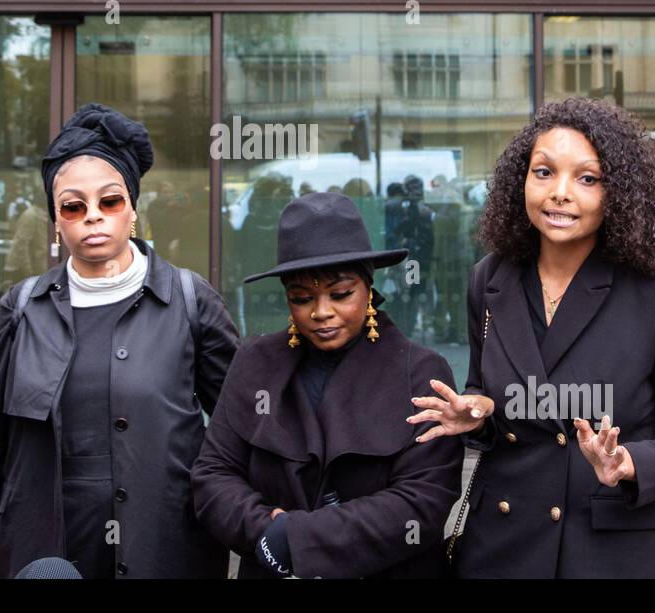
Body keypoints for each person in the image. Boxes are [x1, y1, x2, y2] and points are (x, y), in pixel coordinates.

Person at [410, 97, 655, 578]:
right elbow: (492, 401)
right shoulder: (489, 280)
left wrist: (628, 463)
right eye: (543, 172)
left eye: (587, 178)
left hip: (605, 551)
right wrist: (476, 414)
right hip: (501, 548)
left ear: (617, 192)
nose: (559, 193)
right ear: (521, 181)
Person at [0, 103, 240, 579]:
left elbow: (242, 424)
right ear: (56, 220)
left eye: (110, 202)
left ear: (132, 209)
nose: (93, 217)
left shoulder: (189, 300)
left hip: (166, 547)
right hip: (42, 553)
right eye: (74, 206)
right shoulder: (21, 309)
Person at [192, 192, 463, 578]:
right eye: (301, 298)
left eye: (340, 294)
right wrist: (267, 531)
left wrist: (297, 539)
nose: (321, 313)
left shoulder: (420, 371)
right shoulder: (255, 362)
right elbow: (213, 474)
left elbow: (424, 502)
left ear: (369, 288)